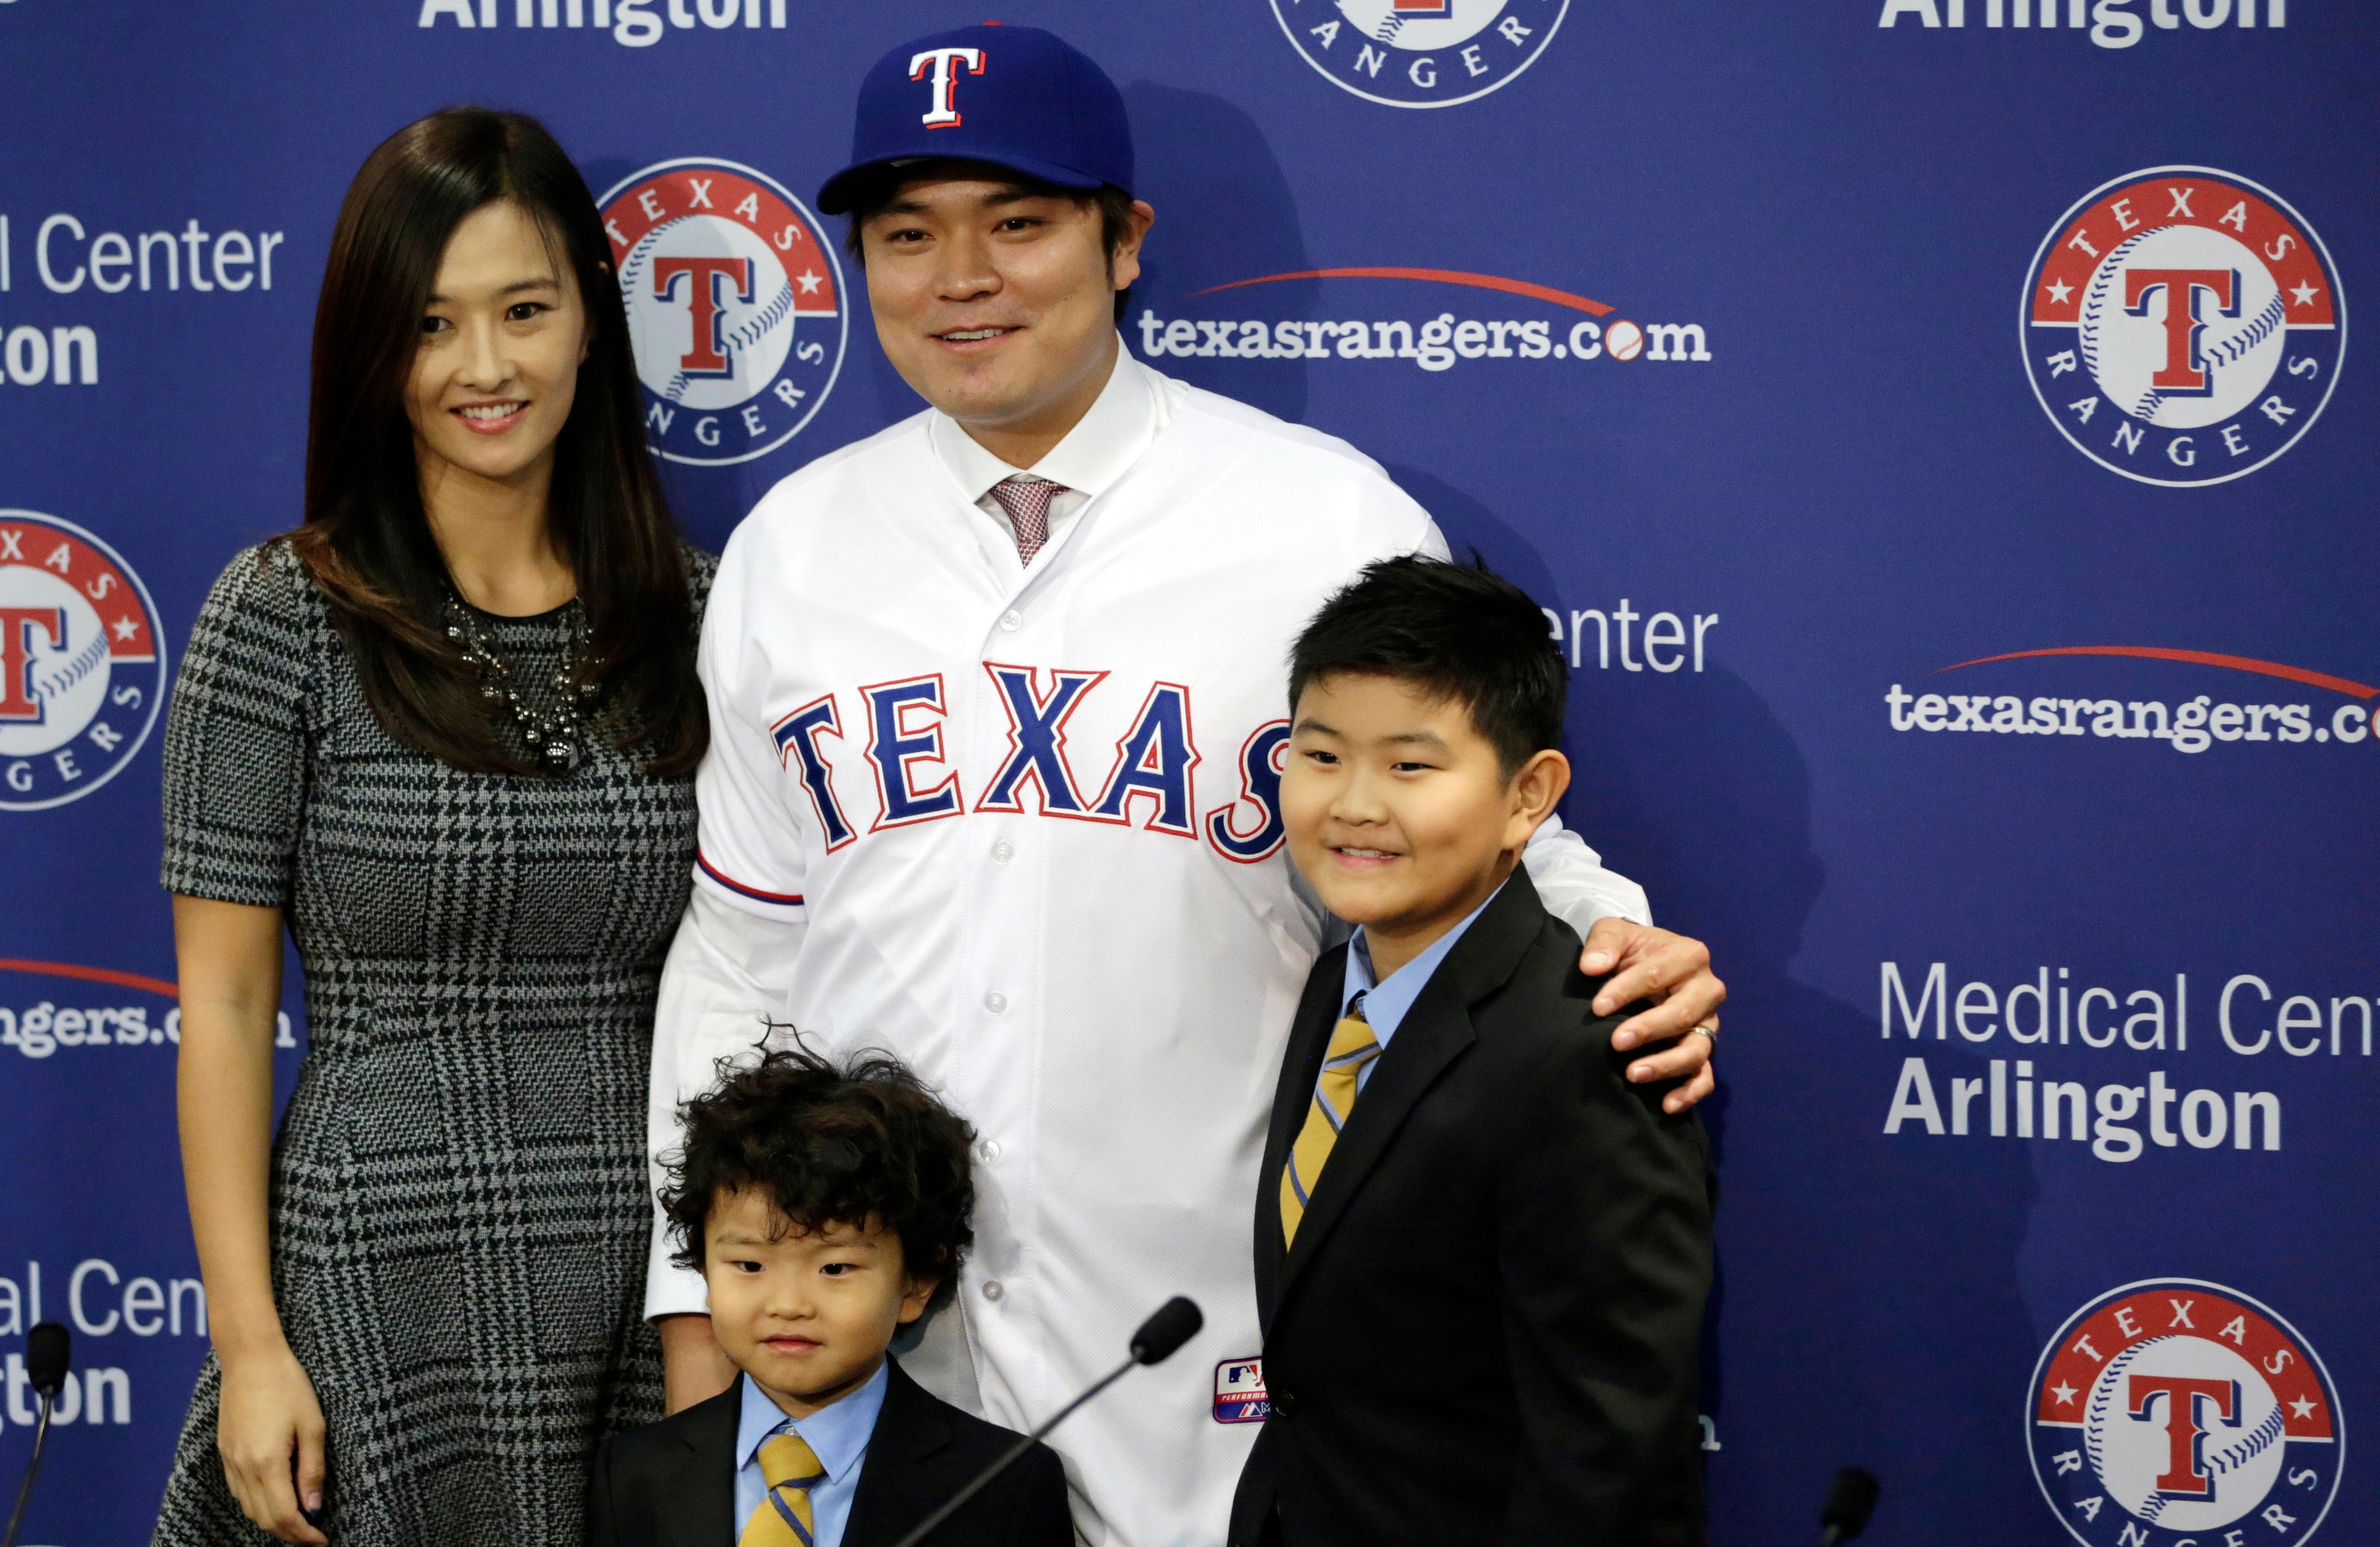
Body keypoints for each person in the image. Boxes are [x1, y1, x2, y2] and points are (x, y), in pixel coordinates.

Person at [643, 25, 1725, 1546]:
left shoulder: (1314, 517)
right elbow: (745, 950)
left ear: (1125, 239)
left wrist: (1622, 947)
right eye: (907, 236)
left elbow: (1465, 828)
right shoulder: (793, 548)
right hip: (888, 1366)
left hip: (1216, 1357)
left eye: (1017, 224)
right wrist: (698, 1300)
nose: (961, 278)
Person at [154, 108, 711, 1547]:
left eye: (524, 310)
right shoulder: (281, 616)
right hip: (379, 1261)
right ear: (373, 352)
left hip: (651, 1265)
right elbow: (220, 1004)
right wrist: (250, 1344)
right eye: (432, 324)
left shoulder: (701, 614)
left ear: (590, 319)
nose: (486, 367)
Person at [1229, 557, 1713, 1547]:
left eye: (1409, 767)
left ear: (1527, 797)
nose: (1355, 805)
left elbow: (1607, 1454)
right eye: (1318, 756)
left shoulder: (1584, 1049)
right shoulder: (1336, 984)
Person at [591, 1050, 1073, 1547]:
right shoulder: (635, 1470)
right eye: (750, 1265)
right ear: (704, 1268)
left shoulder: (1001, 1484)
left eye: (835, 1268)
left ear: (917, 1281)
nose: (789, 1304)